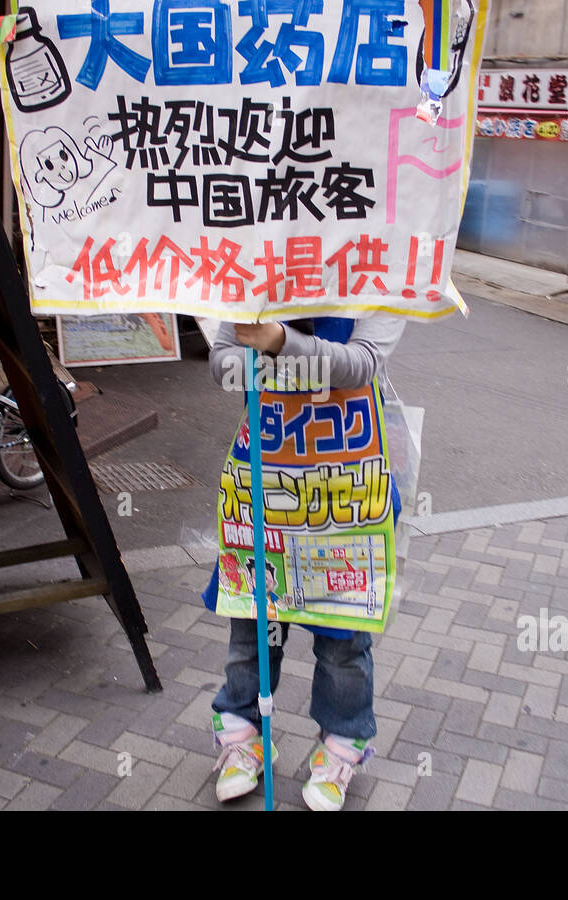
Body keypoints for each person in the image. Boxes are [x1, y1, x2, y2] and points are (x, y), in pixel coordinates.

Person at [202, 315, 405, 811]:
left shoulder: (375, 260)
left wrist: (281, 343)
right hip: (268, 482)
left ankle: (341, 747)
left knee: (343, 637)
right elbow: (222, 364)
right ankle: (242, 737)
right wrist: (262, 350)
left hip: (346, 486)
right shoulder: (255, 266)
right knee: (253, 625)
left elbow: (361, 365)